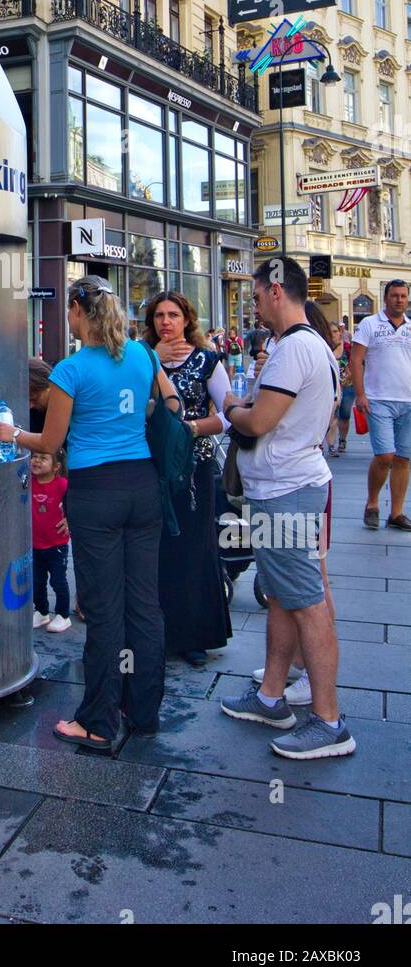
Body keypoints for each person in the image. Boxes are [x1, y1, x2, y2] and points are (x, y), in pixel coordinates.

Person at [6, 275, 181, 751]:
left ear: (79, 311)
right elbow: (171, 403)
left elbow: (50, 441)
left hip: (96, 492)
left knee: (103, 610)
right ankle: (143, 712)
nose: (69, 317)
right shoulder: (143, 355)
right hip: (142, 485)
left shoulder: (71, 370)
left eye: (70, 309)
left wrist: (12, 435)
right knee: (144, 604)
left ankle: (99, 722)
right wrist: (141, 414)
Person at [219, 256, 354, 760]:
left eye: (256, 297)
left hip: (286, 490)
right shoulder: (304, 344)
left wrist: (230, 407)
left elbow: (258, 422)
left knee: (305, 601)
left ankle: (329, 722)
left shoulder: (295, 348)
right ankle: (271, 697)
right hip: (284, 486)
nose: (254, 307)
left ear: (276, 290)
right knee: (281, 596)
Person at [144, 291, 232, 668]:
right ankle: (157, 633)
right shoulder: (140, 357)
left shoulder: (207, 360)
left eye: (173, 315)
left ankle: (195, 636)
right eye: (159, 315)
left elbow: (228, 414)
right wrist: (152, 362)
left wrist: (190, 429)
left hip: (195, 467)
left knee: (195, 547)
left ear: (186, 320)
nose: (166, 322)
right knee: (156, 549)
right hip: (151, 466)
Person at [350, 280, 411, 531]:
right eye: (395, 295)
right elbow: (356, 360)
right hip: (378, 399)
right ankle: (372, 503)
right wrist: (360, 394)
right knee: (385, 456)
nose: (399, 300)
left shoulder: (410, 327)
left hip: (408, 401)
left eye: (403, 296)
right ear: (385, 298)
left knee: (403, 458)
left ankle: (396, 513)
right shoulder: (369, 324)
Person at [31, 448, 70, 633]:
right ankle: (41, 611)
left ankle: (63, 615)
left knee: (58, 581)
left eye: (43, 458)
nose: (36, 461)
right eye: (34, 457)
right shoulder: (28, 482)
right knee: (36, 581)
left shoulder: (62, 484)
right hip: (34, 544)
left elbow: (74, 502)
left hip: (57, 545)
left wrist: (69, 518)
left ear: (56, 467)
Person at [327, 319, 353, 456]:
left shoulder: (347, 347)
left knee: (345, 415)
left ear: (340, 332)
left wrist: (352, 372)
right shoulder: (323, 347)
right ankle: (331, 446)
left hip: (347, 386)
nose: (333, 334)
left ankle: (342, 439)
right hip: (330, 386)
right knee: (332, 416)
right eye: (330, 332)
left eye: (335, 331)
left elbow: (356, 363)